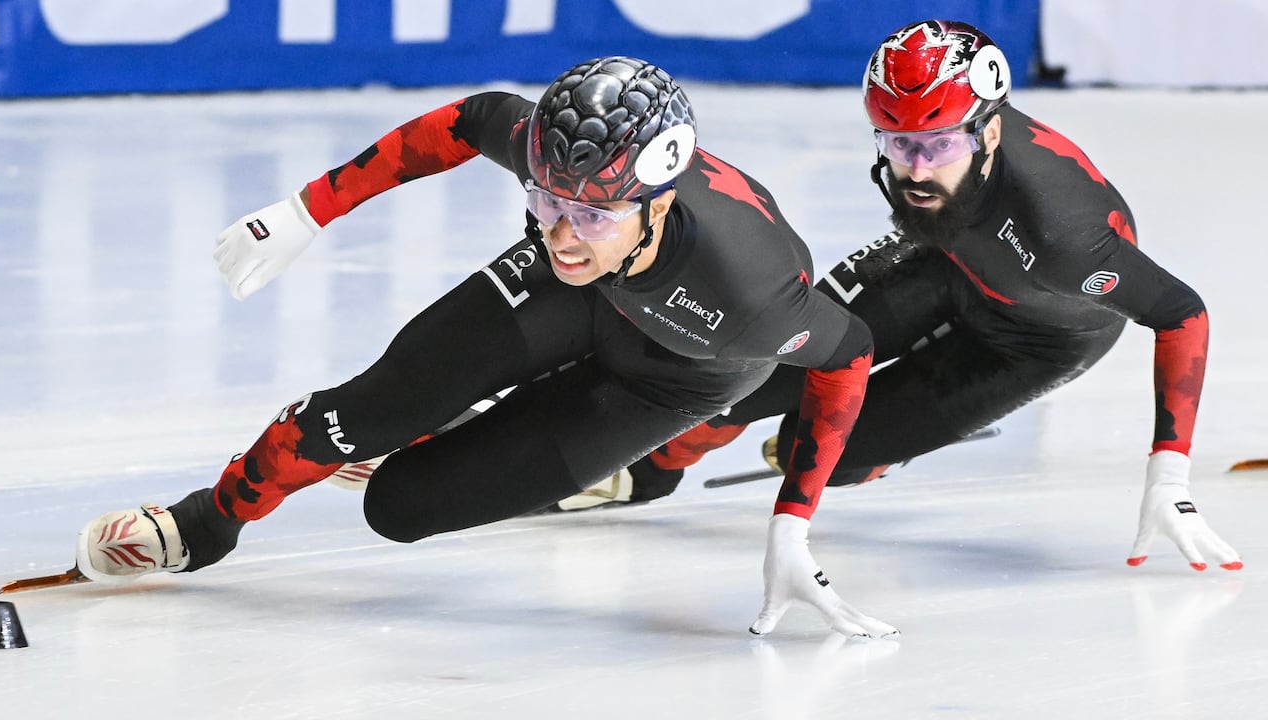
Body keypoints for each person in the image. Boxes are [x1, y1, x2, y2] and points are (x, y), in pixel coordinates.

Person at [72, 56, 898, 638]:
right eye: (545, 199)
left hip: (677, 374)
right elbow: (469, 119)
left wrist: (792, 522)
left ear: (656, 204)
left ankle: (555, 462)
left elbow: (848, 351)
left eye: (595, 215)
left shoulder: (749, 291)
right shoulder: (572, 183)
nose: (565, 232)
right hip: (585, 300)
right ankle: (206, 523)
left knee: (400, 508)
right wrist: (307, 210)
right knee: (359, 416)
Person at [558, 21, 1243, 580]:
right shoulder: (945, 151)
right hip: (944, 261)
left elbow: (1182, 311)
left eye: (938, 145)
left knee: (810, 444)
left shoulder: (1064, 234)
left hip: (1037, 343)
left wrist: (1170, 473)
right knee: (761, 369)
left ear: (991, 132)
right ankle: (651, 470)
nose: (914, 169)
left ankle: (876, 450)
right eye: (897, 143)